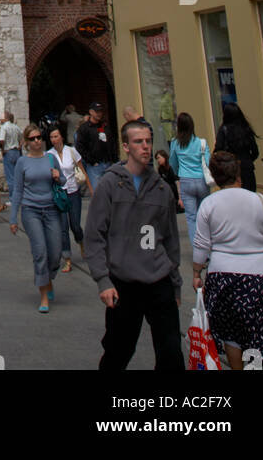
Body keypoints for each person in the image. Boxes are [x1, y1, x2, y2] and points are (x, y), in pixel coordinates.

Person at [83, 119, 184, 371]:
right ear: (126, 147)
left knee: (171, 353)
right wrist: (103, 281)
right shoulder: (109, 184)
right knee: (118, 351)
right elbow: (94, 236)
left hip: (159, 280)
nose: (145, 147)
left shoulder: (162, 189)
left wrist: (176, 284)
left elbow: (170, 239)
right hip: (123, 282)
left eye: (148, 141)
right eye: (138, 142)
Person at [192, 150, 263, 370]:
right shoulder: (260, 201)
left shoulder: (209, 204)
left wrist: (196, 273)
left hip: (223, 279)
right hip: (260, 279)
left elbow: (201, 245)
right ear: (237, 173)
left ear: (214, 175)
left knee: (232, 337)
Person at [8, 123, 62, 308]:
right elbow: (17, 191)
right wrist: (13, 218)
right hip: (31, 211)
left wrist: (58, 176)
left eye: (39, 137)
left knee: (55, 254)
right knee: (40, 251)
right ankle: (44, 296)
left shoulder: (51, 159)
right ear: (26, 142)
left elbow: (62, 181)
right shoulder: (22, 162)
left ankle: (48, 279)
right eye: (33, 138)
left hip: (51, 209)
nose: (37, 141)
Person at [48, 122, 92, 270]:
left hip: (73, 192)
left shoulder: (71, 151)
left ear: (61, 136)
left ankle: (81, 242)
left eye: (56, 136)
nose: (54, 139)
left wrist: (90, 188)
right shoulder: (49, 155)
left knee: (75, 225)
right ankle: (67, 258)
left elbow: (82, 170)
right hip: (60, 193)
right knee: (63, 227)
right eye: (51, 137)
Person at [167, 112, 212, 245]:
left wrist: (178, 173)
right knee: (204, 216)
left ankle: (197, 250)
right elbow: (208, 162)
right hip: (202, 181)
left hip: (186, 180)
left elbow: (173, 163)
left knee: (191, 218)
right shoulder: (200, 142)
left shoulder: (175, 143)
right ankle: (208, 248)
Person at [214, 103, 259, 193]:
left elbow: (218, 149)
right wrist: (248, 160)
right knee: (250, 195)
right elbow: (255, 152)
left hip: (231, 170)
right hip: (247, 168)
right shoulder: (246, 129)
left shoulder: (223, 130)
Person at [75, 103, 115, 191]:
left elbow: (111, 142)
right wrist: (91, 161)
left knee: (110, 192)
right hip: (94, 166)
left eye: (100, 111)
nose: (99, 114)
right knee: (98, 193)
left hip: (108, 163)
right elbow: (79, 146)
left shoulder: (104, 126)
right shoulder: (84, 128)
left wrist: (113, 158)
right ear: (91, 112)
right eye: (97, 111)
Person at [0, 110, 22, 199]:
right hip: (16, 151)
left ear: (5, 118)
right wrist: (20, 145)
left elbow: (2, 140)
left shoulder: (4, 127)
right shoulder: (15, 127)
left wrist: (2, 150)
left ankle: (13, 198)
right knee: (17, 176)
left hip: (8, 151)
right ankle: (19, 196)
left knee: (10, 177)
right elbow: (22, 136)